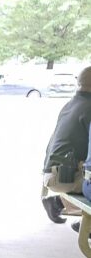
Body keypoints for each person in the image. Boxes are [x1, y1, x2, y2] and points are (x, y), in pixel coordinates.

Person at [41, 66, 91, 223]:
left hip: (52, 171)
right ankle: (85, 225)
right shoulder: (88, 108)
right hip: (65, 176)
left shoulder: (71, 104)